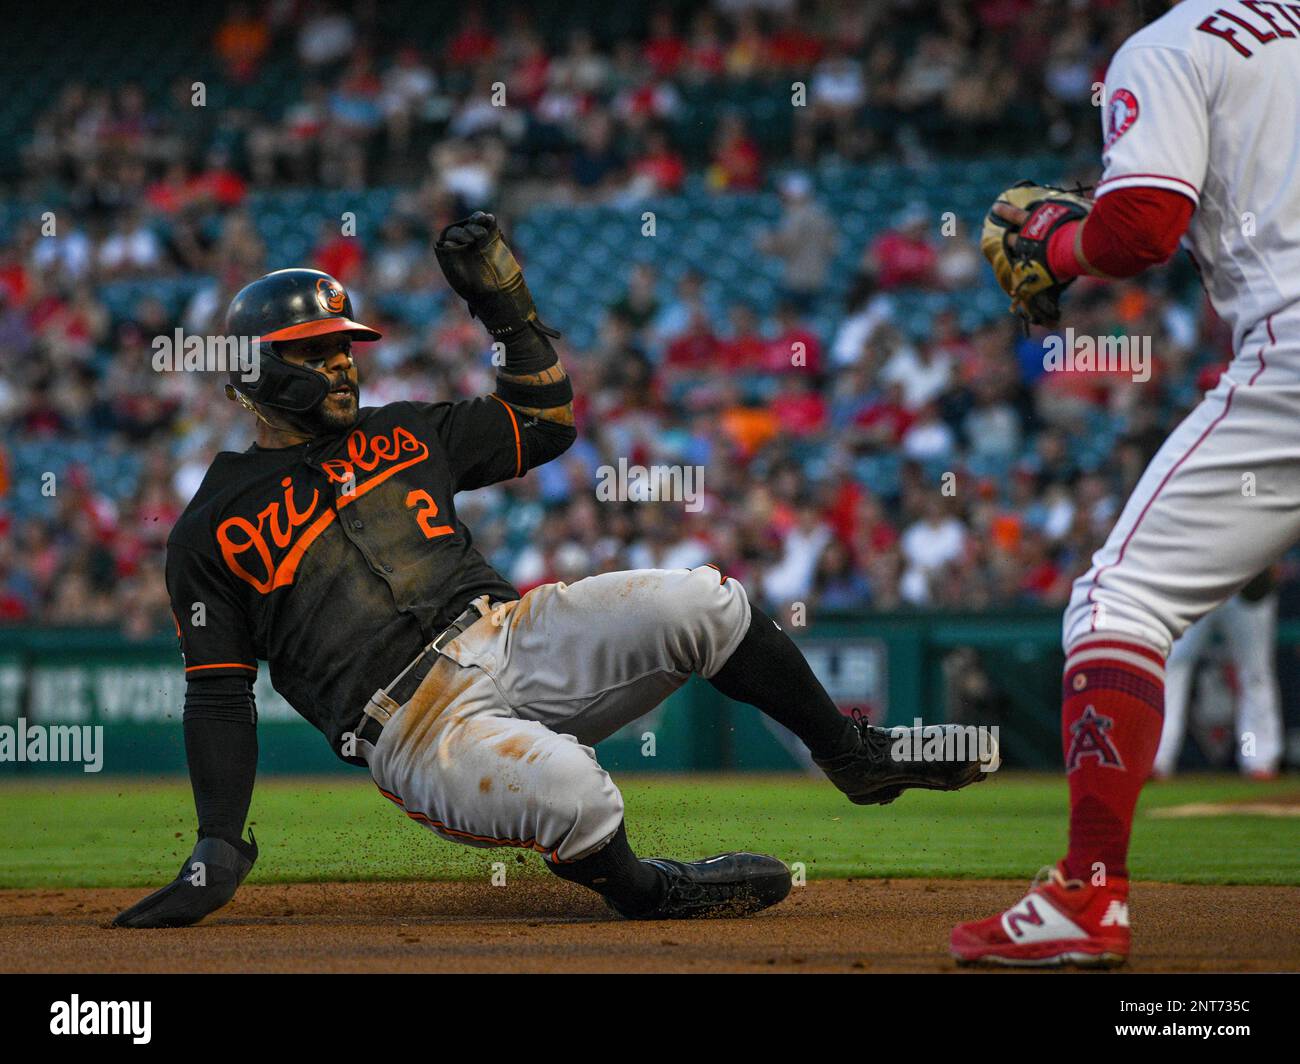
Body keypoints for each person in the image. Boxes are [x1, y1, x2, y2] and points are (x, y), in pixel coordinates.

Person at [113, 214, 991, 929]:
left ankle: (850, 754)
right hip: (413, 726)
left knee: (706, 602)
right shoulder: (207, 530)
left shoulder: (403, 428)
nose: (342, 360)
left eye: (345, 344)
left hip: (513, 633)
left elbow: (547, 422)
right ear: (256, 367)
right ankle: (649, 892)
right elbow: (220, 695)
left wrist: (507, 312)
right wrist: (220, 842)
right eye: (316, 349)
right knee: (576, 795)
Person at [952, 0, 1300, 967]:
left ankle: (1088, 894)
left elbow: (1144, 225)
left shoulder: (1169, 43)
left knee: (1121, 600)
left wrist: (1057, 246)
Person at [1153, 569, 1283, 779]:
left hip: (1243, 580)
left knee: (1254, 673)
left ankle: (1257, 759)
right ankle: (1158, 758)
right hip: (1196, 579)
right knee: (1173, 664)